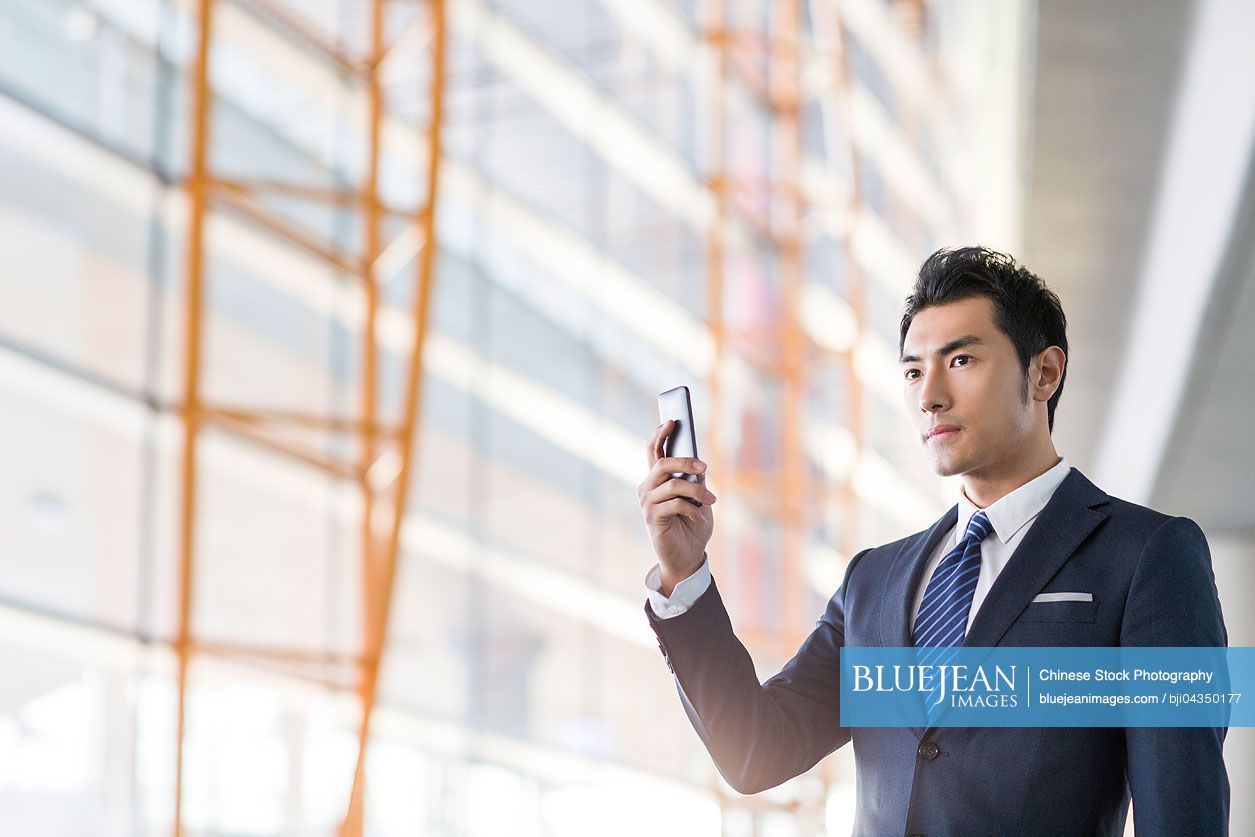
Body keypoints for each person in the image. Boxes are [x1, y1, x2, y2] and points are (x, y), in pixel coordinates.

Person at [636, 247, 1229, 836]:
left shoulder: (1148, 556)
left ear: (1045, 372)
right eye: (914, 371)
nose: (929, 396)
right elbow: (756, 750)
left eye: (962, 359)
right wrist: (685, 577)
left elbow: (1181, 810)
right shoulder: (875, 579)